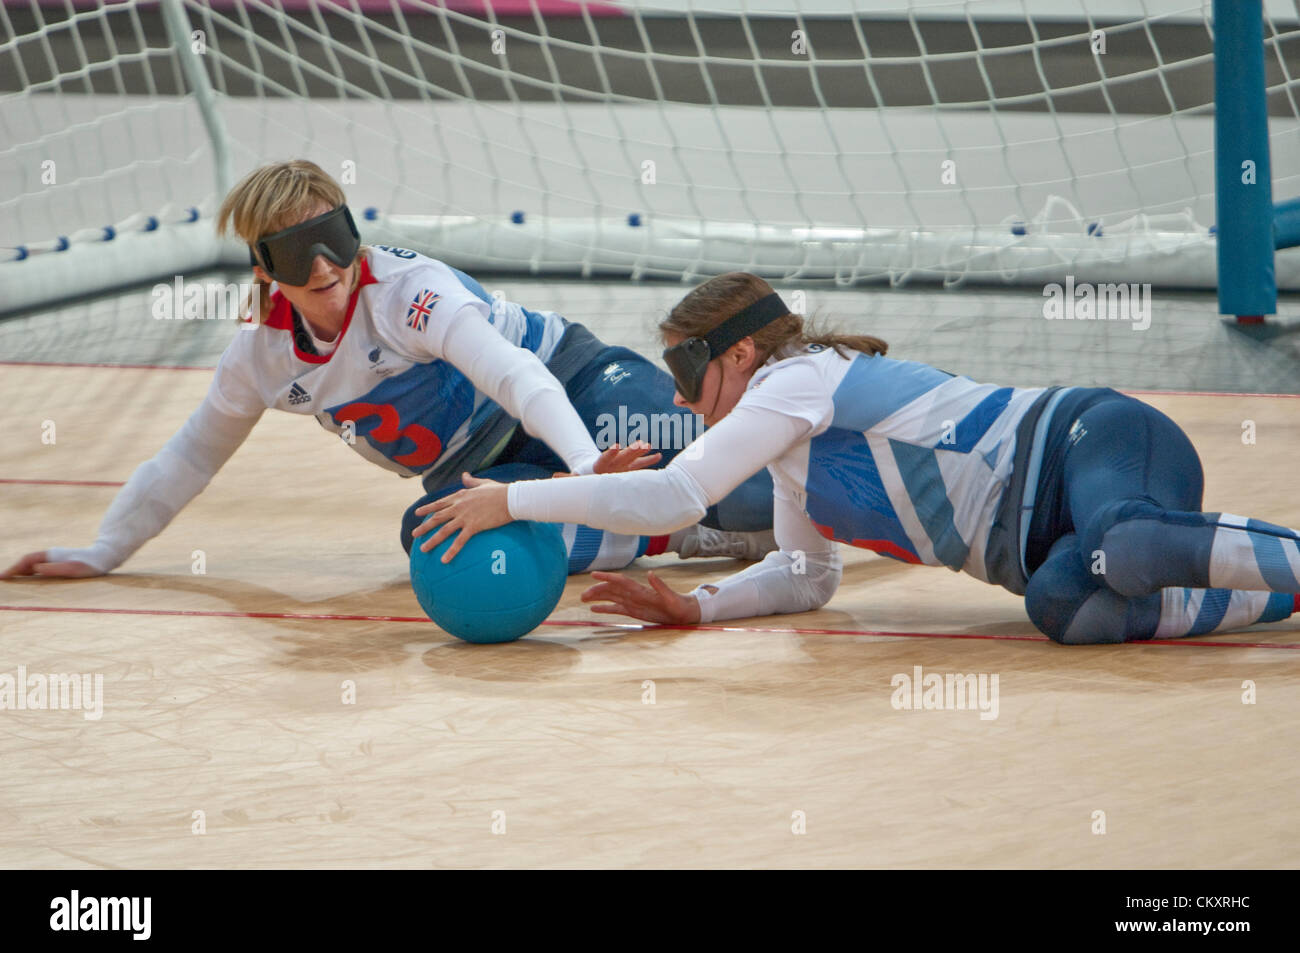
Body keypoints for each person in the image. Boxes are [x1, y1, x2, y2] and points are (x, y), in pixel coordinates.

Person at [415, 271, 1300, 644]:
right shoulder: (797, 449)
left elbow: (680, 495)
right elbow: (806, 578)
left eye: (687, 371)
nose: (679, 399)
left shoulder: (801, 378)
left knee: (1129, 549)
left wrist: (518, 502)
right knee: (1065, 606)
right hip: (1044, 546)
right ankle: (1276, 596)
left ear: (739, 355)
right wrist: (700, 607)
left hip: (1091, 442)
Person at [1, 162, 774, 583]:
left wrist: (584, 471)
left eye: (335, 239)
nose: (328, 268)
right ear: (267, 271)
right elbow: (189, 458)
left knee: (752, 493)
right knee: (427, 540)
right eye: (300, 256)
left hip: (575, 387)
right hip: (482, 469)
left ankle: (817, 484)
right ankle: (681, 538)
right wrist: (104, 550)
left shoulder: (410, 291)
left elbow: (514, 376)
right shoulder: (261, 358)